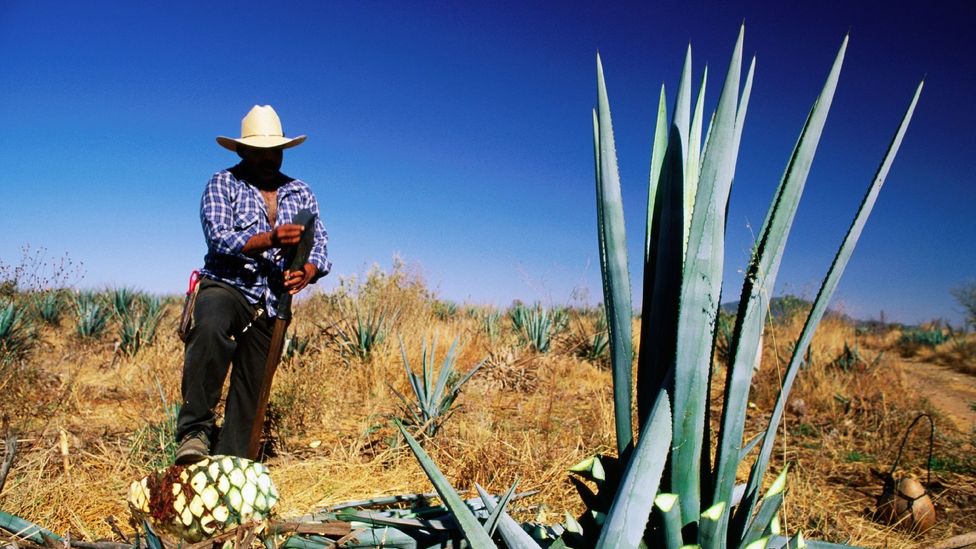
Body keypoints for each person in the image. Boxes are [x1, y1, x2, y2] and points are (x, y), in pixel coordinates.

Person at [174, 105, 330, 463]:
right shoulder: (222, 183)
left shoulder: (300, 191)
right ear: (243, 151)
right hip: (227, 285)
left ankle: (230, 461)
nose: (269, 159)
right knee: (211, 326)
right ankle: (195, 432)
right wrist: (270, 239)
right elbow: (219, 237)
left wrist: (308, 270)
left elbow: (320, 242)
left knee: (253, 385)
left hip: (273, 300)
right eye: (260, 152)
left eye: (275, 151)